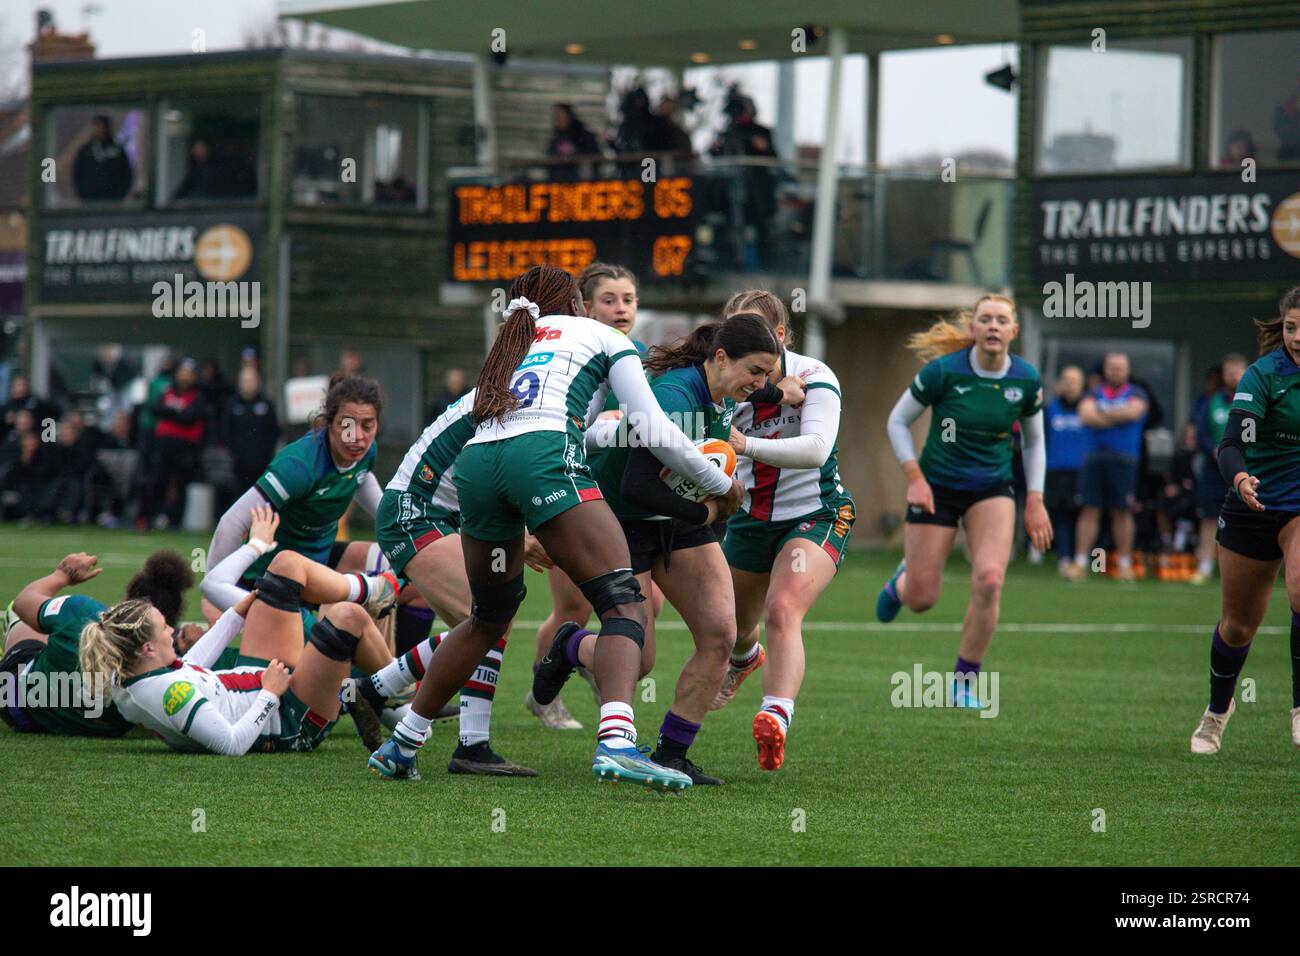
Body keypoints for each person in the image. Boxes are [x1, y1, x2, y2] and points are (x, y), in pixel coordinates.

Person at [367, 265, 739, 792]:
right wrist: (717, 485)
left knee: (486, 617)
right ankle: (617, 743)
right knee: (624, 601)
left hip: (480, 468)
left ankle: (404, 740)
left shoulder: (513, 345)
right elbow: (655, 429)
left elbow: (522, 418)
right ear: (579, 305)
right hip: (540, 461)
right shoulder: (606, 337)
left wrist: (598, 439)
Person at [532, 312, 779, 784]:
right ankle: (571, 647)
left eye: (768, 372)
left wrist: (791, 386)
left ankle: (672, 753)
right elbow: (639, 483)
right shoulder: (673, 397)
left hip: (678, 520)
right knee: (638, 661)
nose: (762, 382)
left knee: (721, 635)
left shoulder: (728, 384)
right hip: (624, 520)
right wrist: (709, 513)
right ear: (721, 357)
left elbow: (769, 385)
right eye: (756, 371)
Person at [875, 295, 1051, 710]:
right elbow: (897, 421)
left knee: (990, 580)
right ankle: (904, 583)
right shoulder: (942, 372)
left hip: (993, 488)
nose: (993, 326)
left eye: (1001, 320)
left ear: (1013, 330)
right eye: (985, 319)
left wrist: (1036, 499)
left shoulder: (1025, 379)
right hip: (935, 486)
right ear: (972, 328)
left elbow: (1036, 440)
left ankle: (964, 681)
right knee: (922, 598)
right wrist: (914, 477)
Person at [707, 290, 856, 771]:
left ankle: (774, 717)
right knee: (730, 628)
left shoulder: (815, 375)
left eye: (753, 328)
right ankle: (744, 657)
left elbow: (815, 449)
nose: (741, 339)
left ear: (781, 335)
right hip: (751, 519)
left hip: (815, 513)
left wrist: (741, 443)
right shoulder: (723, 379)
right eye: (733, 329)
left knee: (783, 606)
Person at [84, 550, 395, 756]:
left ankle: (374, 588)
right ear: (148, 648)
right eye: (164, 627)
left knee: (285, 568)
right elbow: (231, 745)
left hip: (258, 680)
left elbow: (191, 664)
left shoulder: (132, 673)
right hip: (289, 718)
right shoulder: (169, 692)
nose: (171, 631)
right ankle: (403, 696)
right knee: (346, 618)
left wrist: (236, 615)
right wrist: (271, 694)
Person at [374, 387, 537, 776]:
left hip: (443, 517)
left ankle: (375, 688)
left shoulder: (515, 388)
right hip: (414, 513)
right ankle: (461, 746)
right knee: (488, 615)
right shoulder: (513, 396)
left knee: (488, 620)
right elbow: (499, 475)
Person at [525, 261, 648, 730]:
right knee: (572, 606)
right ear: (584, 307)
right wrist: (606, 427)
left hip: (620, 500)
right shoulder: (569, 354)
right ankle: (544, 693)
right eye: (609, 300)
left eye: (629, 300)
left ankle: (599, 664)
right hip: (568, 493)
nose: (620, 309)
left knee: (643, 605)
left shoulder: (635, 354)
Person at [1189, 286, 1300, 753]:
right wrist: (1239, 479)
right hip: (1252, 505)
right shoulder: (1264, 375)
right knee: (1237, 626)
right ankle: (1217, 711)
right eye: (1292, 327)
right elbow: (1231, 444)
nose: (1297, 337)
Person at [2, 550, 221, 736]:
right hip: (85, 724)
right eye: (166, 627)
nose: (172, 630)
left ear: (128, 600)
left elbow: (24, 601)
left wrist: (63, 574)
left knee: (22, 616)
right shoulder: (165, 676)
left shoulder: (83, 614)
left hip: (14, 701)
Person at [1064, 352, 1148, 582]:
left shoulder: (1137, 392)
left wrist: (1102, 414)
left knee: (1122, 510)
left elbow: (1134, 412)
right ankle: (1080, 562)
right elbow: (1086, 416)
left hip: (1125, 459)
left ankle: (1124, 563)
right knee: (1090, 509)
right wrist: (1118, 416)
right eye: (1112, 367)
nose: (1116, 371)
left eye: (1120, 367)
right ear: (1106, 369)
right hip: (1094, 458)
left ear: (1127, 370)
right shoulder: (1094, 391)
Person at [1191, 354, 1248, 584]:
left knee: (1246, 518)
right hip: (1213, 470)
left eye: (1237, 372)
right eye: (1229, 372)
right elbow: (1200, 432)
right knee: (1209, 517)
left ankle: (1245, 569)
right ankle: (1205, 566)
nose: (1233, 376)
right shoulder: (1210, 401)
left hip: (1244, 470)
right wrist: (1213, 449)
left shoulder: (1254, 399)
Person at [148, 358, 207, 530]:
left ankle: (175, 521)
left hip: (186, 446)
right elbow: (156, 410)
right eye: (182, 373)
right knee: (158, 480)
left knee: (181, 484)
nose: (184, 377)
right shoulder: (168, 391)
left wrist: (171, 413)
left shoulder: (197, 396)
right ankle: (152, 517)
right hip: (163, 444)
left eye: (189, 374)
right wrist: (177, 412)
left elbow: (190, 418)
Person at [1044, 366, 1088, 575]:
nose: (1071, 386)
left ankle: (1085, 558)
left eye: (1075, 381)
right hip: (1056, 470)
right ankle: (1064, 558)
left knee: (1083, 515)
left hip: (1082, 471)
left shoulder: (1089, 410)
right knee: (1060, 515)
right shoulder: (1050, 409)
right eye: (1067, 381)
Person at [221, 365, 280, 495]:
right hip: (238, 464)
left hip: (262, 463)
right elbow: (226, 431)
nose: (248, 384)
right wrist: (234, 452)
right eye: (245, 380)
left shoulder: (266, 404)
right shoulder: (232, 404)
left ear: (258, 382)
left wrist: (266, 451)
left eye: (252, 380)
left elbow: (274, 430)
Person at [73, 115, 132, 202]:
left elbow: (126, 174)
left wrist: (119, 195)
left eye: (102, 127)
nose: (100, 130)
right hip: (90, 201)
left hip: (112, 201)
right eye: (97, 127)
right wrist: (83, 195)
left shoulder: (118, 151)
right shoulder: (86, 151)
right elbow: (77, 173)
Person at [546, 104, 602, 181]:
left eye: (561, 116)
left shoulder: (582, 135)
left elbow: (595, 157)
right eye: (556, 117)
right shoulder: (555, 138)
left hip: (581, 182)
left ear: (569, 116)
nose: (558, 120)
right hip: (559, 182)